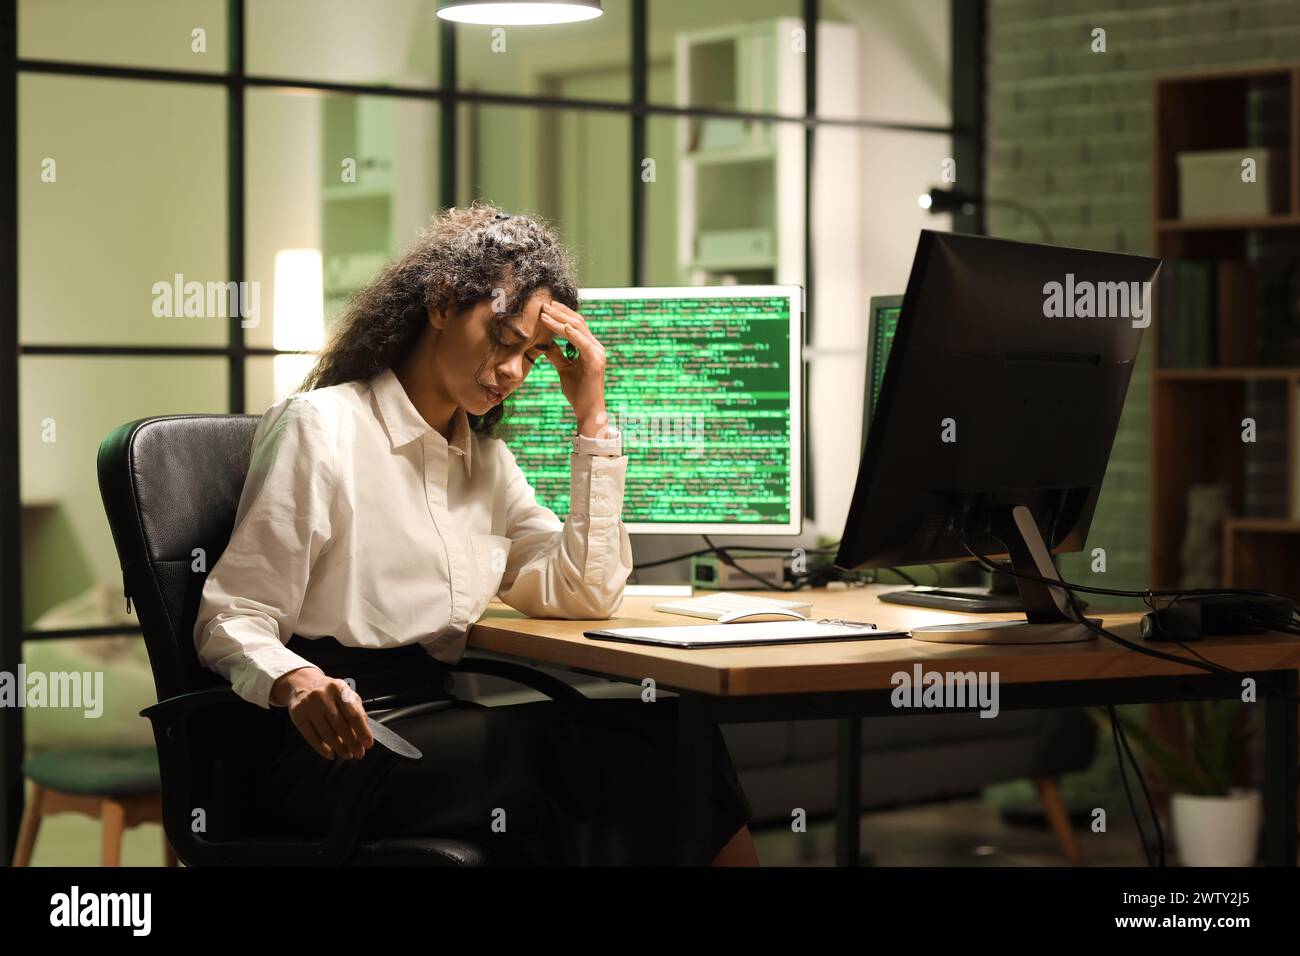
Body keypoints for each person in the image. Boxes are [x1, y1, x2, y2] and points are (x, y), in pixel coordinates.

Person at [192, 202, 758, 866]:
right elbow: (232, 615)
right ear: (439, 302)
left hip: (433, 724)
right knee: (593, 759)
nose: (514, 372)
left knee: (671, 735)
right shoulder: (319, 428)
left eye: (533, 355)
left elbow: (584, 592)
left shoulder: (486, 463)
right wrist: (298, 682)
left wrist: (593, 416)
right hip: (327, 744)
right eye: (501, 338)